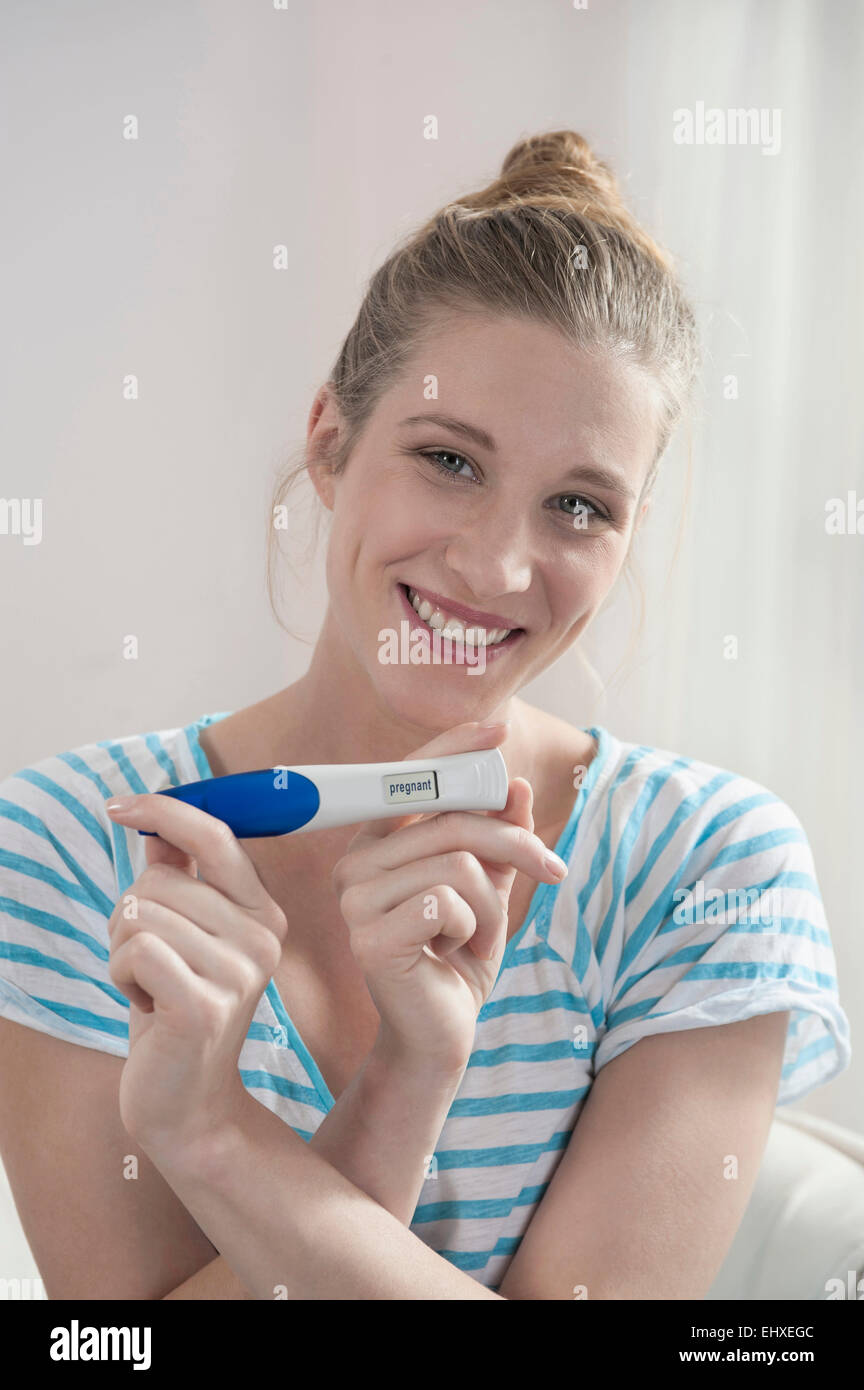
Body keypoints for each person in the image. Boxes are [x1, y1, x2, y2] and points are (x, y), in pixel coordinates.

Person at [0, 130, 851, 1301]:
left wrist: (220, 1134)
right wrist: (400, 1094)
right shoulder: (63, 846)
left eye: (578, 505)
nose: (501, 565)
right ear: (330, 440)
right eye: (449, 459)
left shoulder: (708, 866)